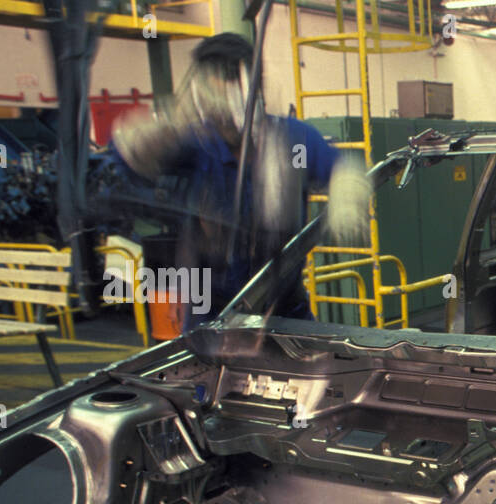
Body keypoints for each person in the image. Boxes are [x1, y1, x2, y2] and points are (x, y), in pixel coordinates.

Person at [110, 33, 369, 329]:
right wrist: (146, 138)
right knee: (208, 375)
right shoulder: (193, 146)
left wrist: (346, 189)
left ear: (254, 85)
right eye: (216, 86)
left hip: (281, 308)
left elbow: (337, 167)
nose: (225, 109)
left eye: (235, 80)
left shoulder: (293, 142)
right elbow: (130, 164)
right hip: (208, 311)